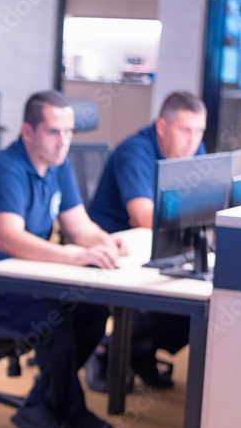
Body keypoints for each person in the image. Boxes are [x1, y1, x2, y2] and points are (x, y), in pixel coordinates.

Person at [0, 90, 124, 428]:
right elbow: (9, 239)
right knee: (54, 317)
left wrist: (106, 241)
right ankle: (72, 409)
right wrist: (73, 256)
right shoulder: (4, 169)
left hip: (22, 284)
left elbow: (78, 227)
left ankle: (41, 404)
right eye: (54, 132)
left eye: (70, 132)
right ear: (28, 132)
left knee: (92, 310)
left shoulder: (58, 166)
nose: (64, 142)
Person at [84, 91, 207, 392]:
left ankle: (138, 349)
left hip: (161, 248)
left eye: (200, 130)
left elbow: (206, 199)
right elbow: (143, 216)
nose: (194, 140)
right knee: (183, 298)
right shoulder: (135, 152)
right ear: (163, 127)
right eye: (186, 130)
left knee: (203, 304)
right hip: (118, 252)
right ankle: (107, 350)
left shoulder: (192, 150)